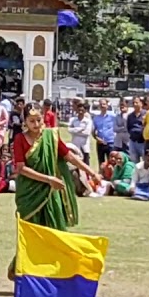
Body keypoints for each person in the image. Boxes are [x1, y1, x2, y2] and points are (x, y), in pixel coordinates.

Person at [12, 103, 99, 238]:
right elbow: (21, 168)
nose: (36, 124)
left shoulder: (51, 136)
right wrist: (48, 179)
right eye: (31, 121)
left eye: (39, 120)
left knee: (54, 230)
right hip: (30, 191)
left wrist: (92, 173)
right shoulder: (20, 139)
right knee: (31, 233)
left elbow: (69, 156)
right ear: (25, 122)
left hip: (51, 191)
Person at [67, 99, 94, 164]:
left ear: (85, 111)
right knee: (75, 164)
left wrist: (75, 131)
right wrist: (80, 129)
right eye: (79, 110)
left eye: (82, 110)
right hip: (75, 145)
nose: (81, 112)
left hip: (84, 145)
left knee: (85, 164)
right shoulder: (73, 120)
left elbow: (87, 133)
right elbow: (69, 130)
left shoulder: (88, 121)